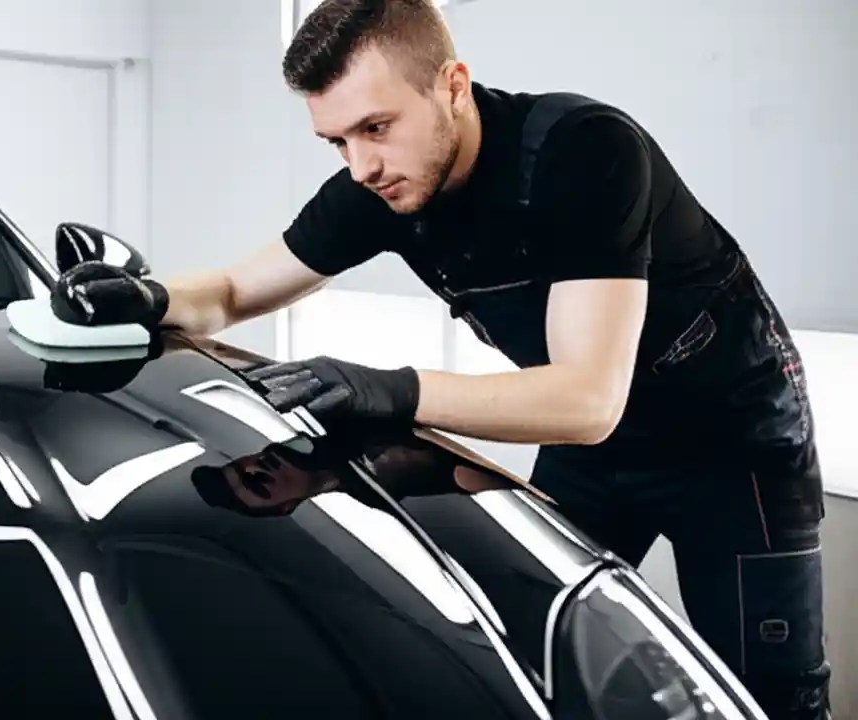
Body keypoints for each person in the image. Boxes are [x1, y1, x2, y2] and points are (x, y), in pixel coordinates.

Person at [48, 1, 829, 716]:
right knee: (532, 655)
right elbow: (232, 289)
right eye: (337, 140)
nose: (360, 166)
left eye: (377, 127)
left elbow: (588, 399)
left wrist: (386, 388)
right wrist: (147, 297)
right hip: (599, 450)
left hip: (732, 447)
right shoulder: (381, 185)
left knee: (766, 696)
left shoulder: (585, 153)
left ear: (452, 85)